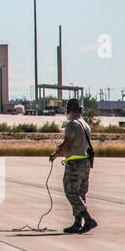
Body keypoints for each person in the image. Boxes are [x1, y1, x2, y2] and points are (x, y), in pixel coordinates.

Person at [50, 98, 97, 234]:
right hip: (85, 162)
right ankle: (77, 223)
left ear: (68, 110)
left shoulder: (72, 125)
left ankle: (88, 219)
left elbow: (67, 143)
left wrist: (55, 155)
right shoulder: (85, 124)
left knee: (71, 192)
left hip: (75, 163)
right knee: (80, 193)